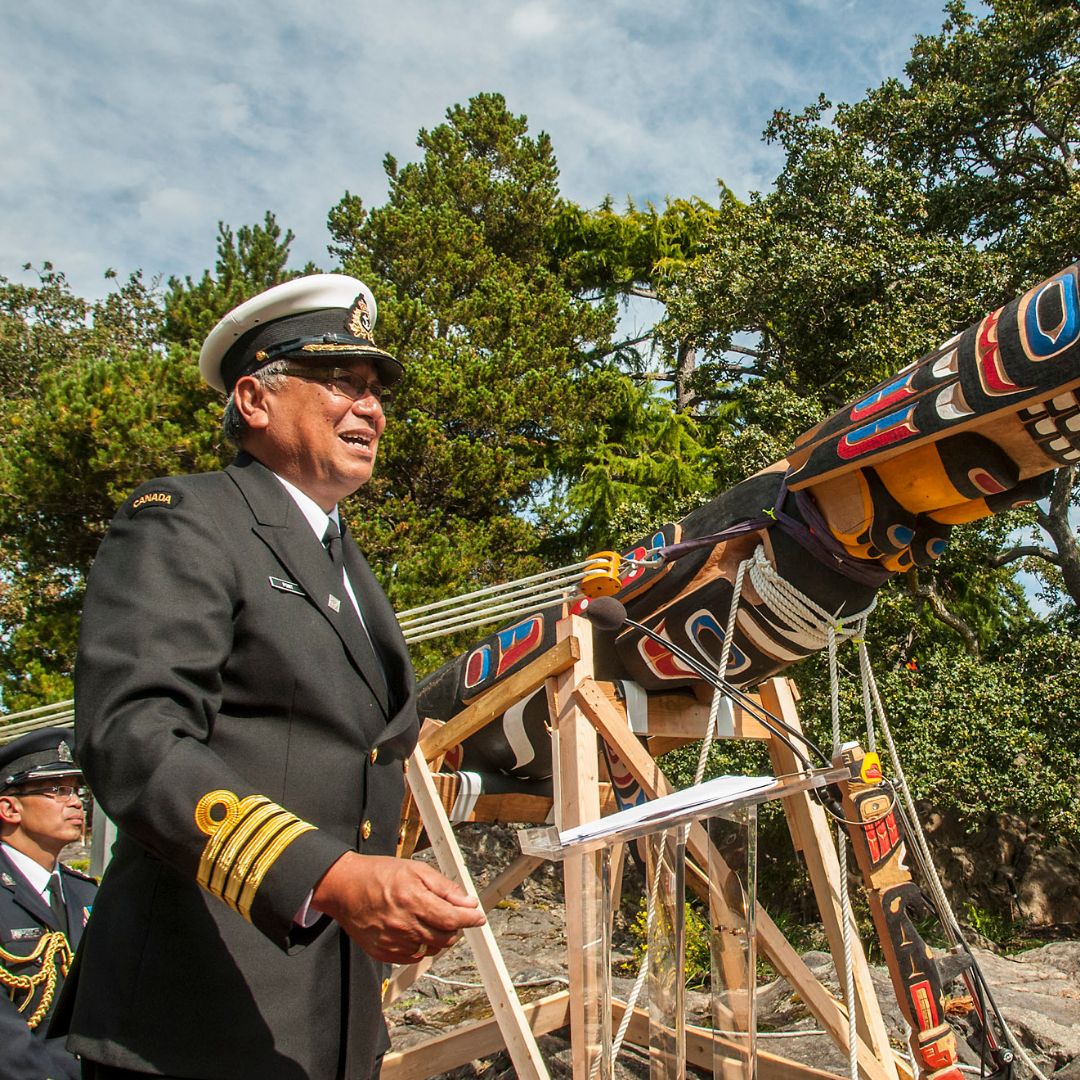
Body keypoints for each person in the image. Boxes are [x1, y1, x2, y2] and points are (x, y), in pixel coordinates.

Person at [60, 275, 485, 1080]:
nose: (370, 409)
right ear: (254, 400)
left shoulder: (350, 570)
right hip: (193, 1025)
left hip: (331, 1026)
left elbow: (368, 754)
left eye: (376, 390)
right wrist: (327, 877)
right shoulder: (185, 519)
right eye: (341, 382)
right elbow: (134, 736)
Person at [0, 727, 97, 1080]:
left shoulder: (87, 893)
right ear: (9, 808)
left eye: (76, 790)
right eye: (57, 790)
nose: (76, 802)